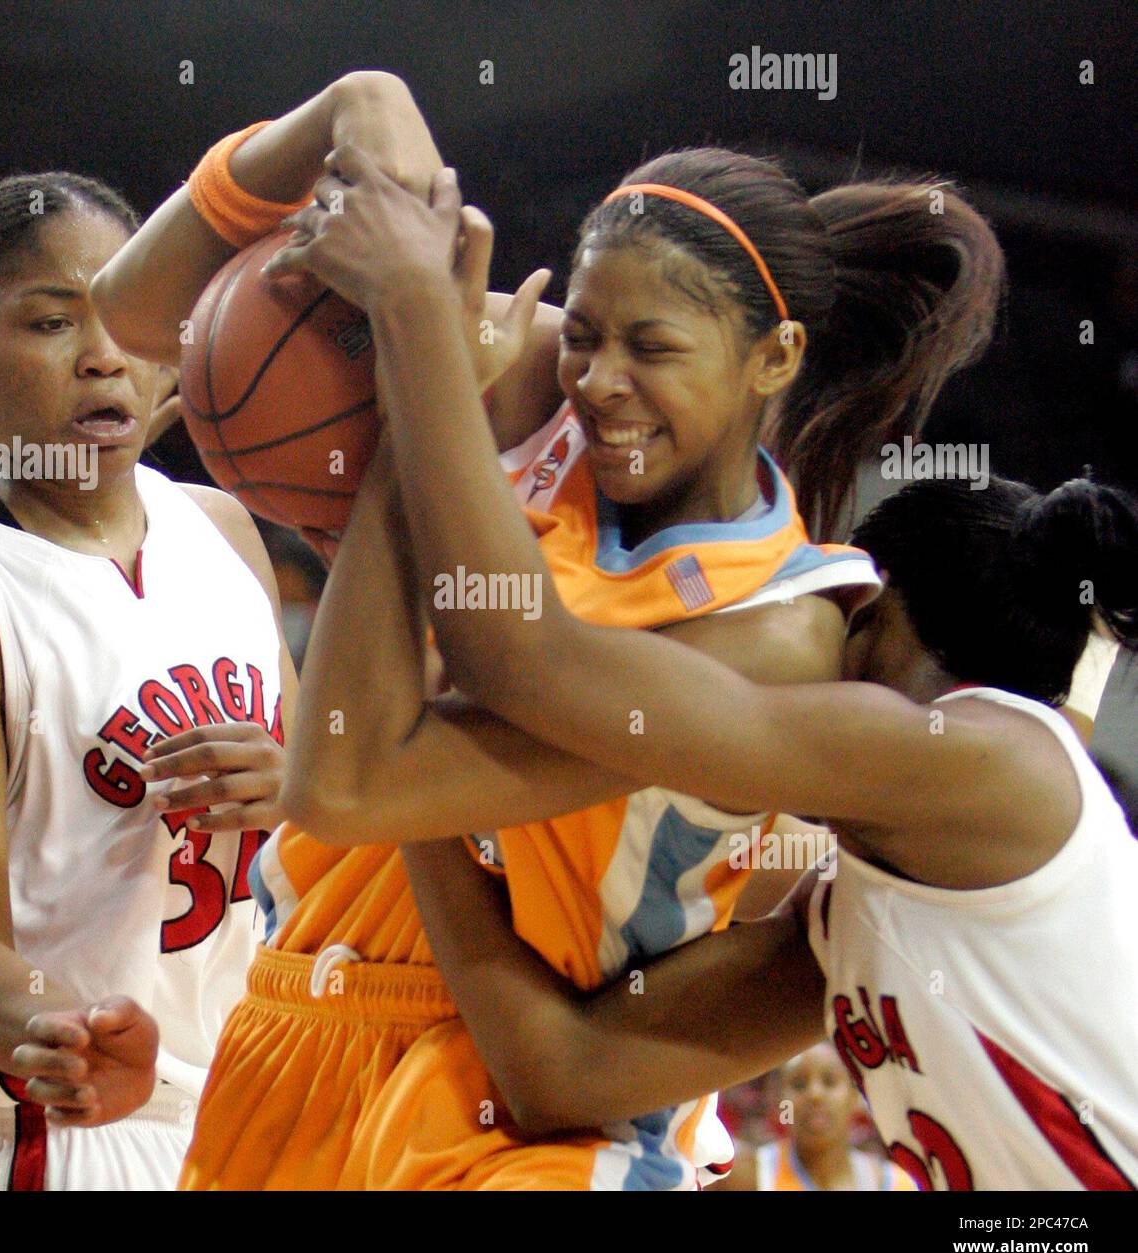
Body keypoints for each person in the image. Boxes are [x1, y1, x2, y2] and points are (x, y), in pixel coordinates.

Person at [89, 73, 1001, 1189]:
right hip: (295, 1010)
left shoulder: (770, 628)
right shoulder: (548, 380)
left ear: (774, 357)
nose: (602, 382)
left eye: (652, 349)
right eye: (589, 334)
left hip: (522, 1108)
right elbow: (140, 319)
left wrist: (422, 393)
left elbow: (363, 776)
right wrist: (345, 119)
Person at [266, 150, 1138, 1187]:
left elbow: (522, 656)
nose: (822, 656)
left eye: (851, 632)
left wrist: (421, 345)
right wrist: (424, 781)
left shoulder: (989, 763)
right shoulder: (850, 911)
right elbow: (562, 1067)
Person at [0, 170, 292, 1190]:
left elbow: (323, 816)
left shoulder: (221, 529)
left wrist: (300, 777)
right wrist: (60, 1028)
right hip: (57, 1135)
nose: (103, 357)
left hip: (238, 1107)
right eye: (51, 323)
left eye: (132, 319)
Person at [716, 1043, 916, 1191]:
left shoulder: (898, 1183)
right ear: (777, 1100)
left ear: (856, 1097)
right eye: (799, 1084)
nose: (815, 1095)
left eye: (829, 1082)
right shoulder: (747, 1176)